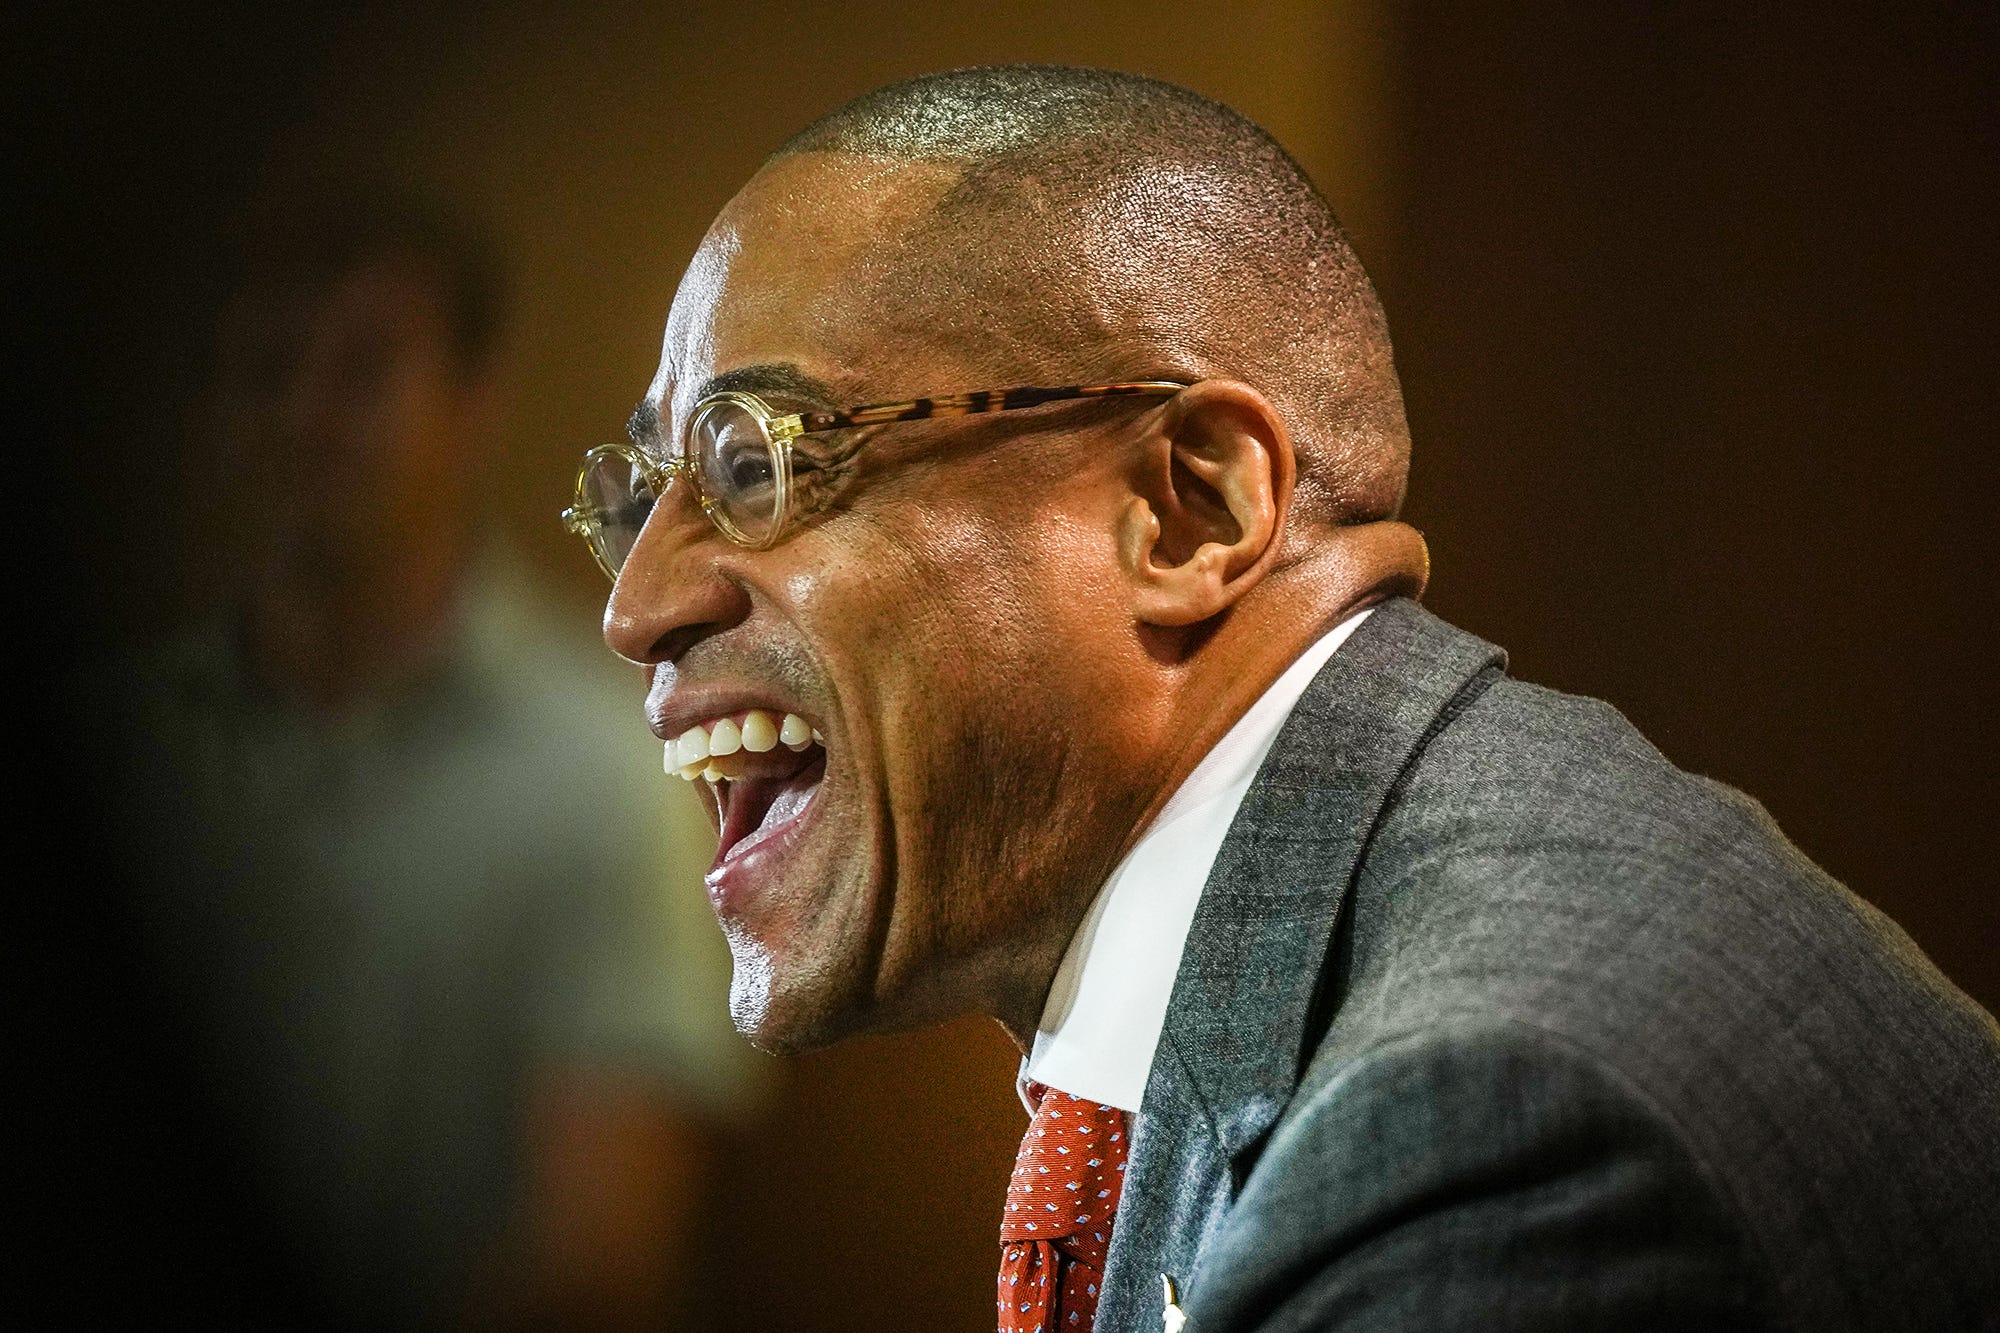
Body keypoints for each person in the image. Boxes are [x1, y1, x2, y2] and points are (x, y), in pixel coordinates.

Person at [563, 66, 2000, 1331]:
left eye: (754, 461)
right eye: (639, 497)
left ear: (1190, 509)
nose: (637, 607)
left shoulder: (1486, 1130)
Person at [119, 176, 758, 1328]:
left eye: (362, 371)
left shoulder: (604, 770)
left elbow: (598, 1267)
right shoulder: (121, 749)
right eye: (267, 370)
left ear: (471, 400)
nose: (307, 416)